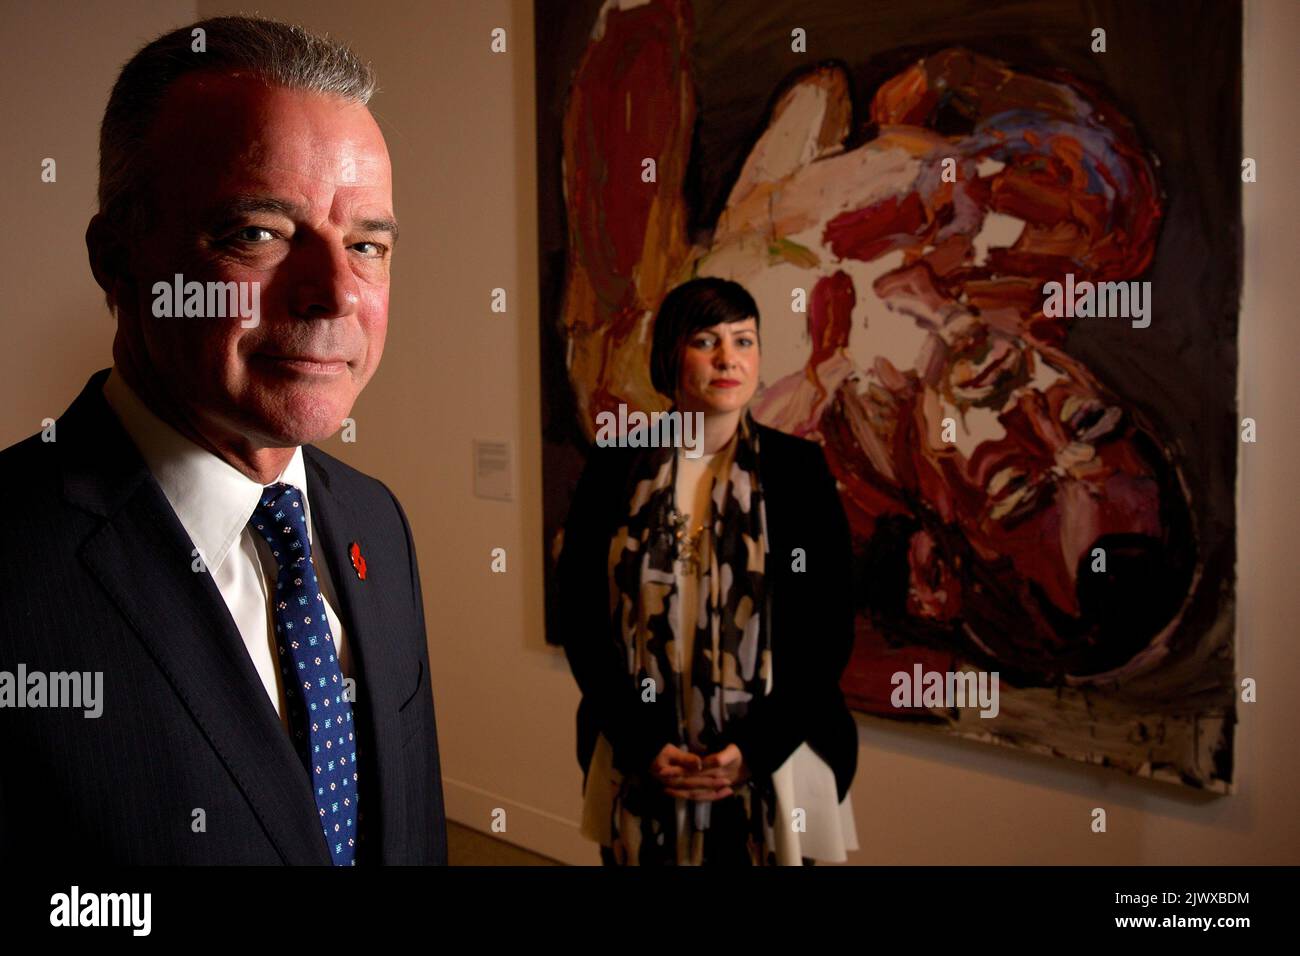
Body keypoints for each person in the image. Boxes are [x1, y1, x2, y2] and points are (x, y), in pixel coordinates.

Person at [0, 16, 445, 865]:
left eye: (366, 245)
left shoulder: (376, 524)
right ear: (117, 259)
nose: (333, 295)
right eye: (259, 234)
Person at [557, 277, 859, 865]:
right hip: (640, 760)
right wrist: (642, 741)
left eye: (744, 341)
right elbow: (580, 614)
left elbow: (829, 630)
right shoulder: (615, 468)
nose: (729, 359)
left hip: (774, 762)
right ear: (671, 353)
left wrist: (754, 749)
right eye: (707, 340)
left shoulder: (798, 473)